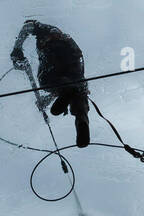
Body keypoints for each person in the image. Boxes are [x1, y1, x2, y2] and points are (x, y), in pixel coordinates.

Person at [10, 19, 90, 148]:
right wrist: (47, 100)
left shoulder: (42, 28)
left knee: (46, 80)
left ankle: (68, 94)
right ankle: (81, 119)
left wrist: (17, 49)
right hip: (74, 60)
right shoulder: (62, 36)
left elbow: (27, 27)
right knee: (77, 91)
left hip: (55, 53)